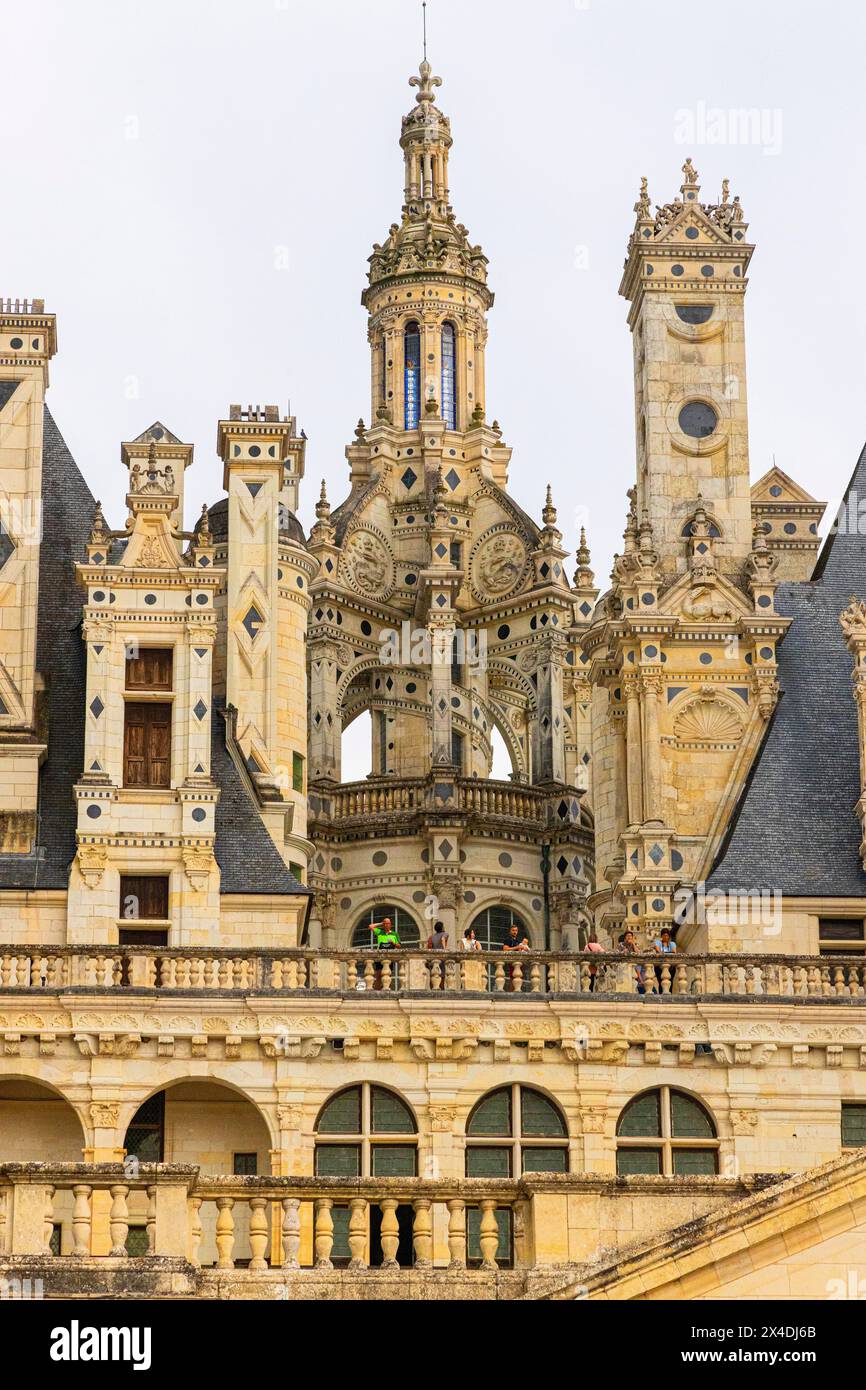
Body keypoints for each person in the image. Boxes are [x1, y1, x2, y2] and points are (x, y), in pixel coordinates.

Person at [502, 923, 530, 992]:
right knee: (512, 978)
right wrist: (517, 947)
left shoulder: (518, 941)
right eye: (513, 930)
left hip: (518, 962)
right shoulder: (508, 940)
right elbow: (505, 949)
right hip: (512, 962)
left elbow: (520, 950)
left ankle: (515, 991)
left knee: (518, 978)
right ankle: (510, 993)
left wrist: (524, 949)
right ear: (510, 931)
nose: (515, 932)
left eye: (516, 930)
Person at [617, 929, 646, 995]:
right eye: (628, 936)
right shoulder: (621, 944)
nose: (629, 937)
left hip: (634, 966)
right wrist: (624, 951)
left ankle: (641, 982)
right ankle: (640, 980)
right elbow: (618, 953)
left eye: (630, 936)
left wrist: (633, 944)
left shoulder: (635, 944)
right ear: (625, 938)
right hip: (624, 965)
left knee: (640, 967)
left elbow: (638, 953)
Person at [652, 927, 677, 994]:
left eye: (667, 935)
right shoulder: (658, 942)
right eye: (664, 935)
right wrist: (666, 953)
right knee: (660, 982)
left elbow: (674, 952)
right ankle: (661, 995)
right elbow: (658, 950)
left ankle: (670, 994)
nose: (665, 937)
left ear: (669, 936)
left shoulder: (672, 944)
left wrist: (663, 953)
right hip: (659, 966)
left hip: (670, 966)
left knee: (670, 981)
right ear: (661, 936)